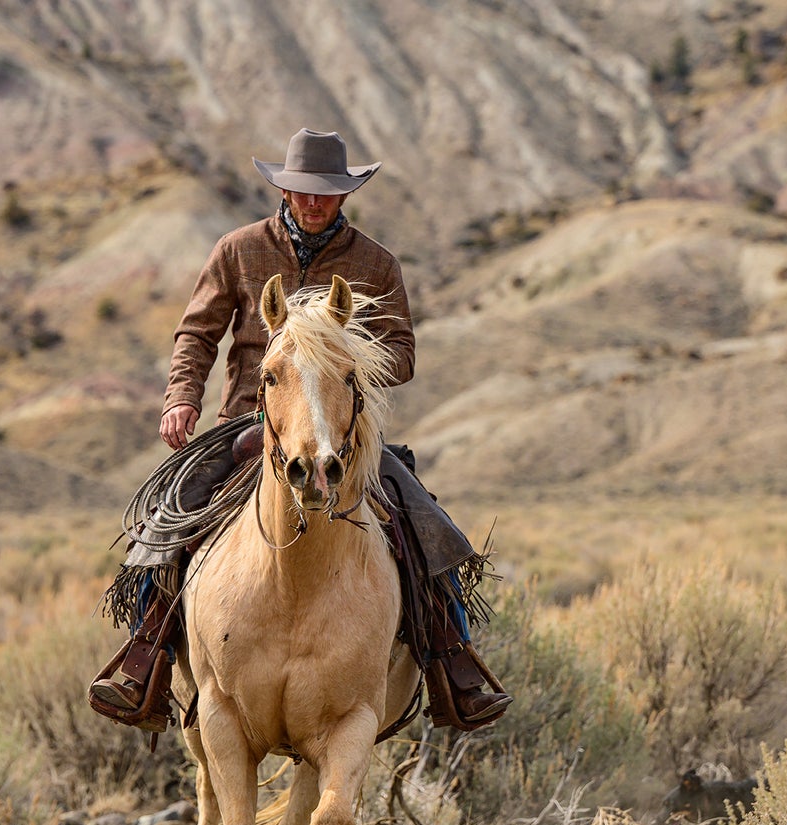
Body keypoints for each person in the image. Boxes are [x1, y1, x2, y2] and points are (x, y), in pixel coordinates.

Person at [90, 128, 512, 732]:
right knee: (171, 516)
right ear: (284, 190)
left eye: (326, 193)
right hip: (246, 422)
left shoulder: (375, 263)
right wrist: (181, 398)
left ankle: (454, 666)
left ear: (345, 195)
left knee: (423, 523)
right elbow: (197, 333)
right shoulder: (238, 250)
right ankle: (146, 661)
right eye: (302, 192)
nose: (313, 203)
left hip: (344, 434)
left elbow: (404, 353)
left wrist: (346, 358)